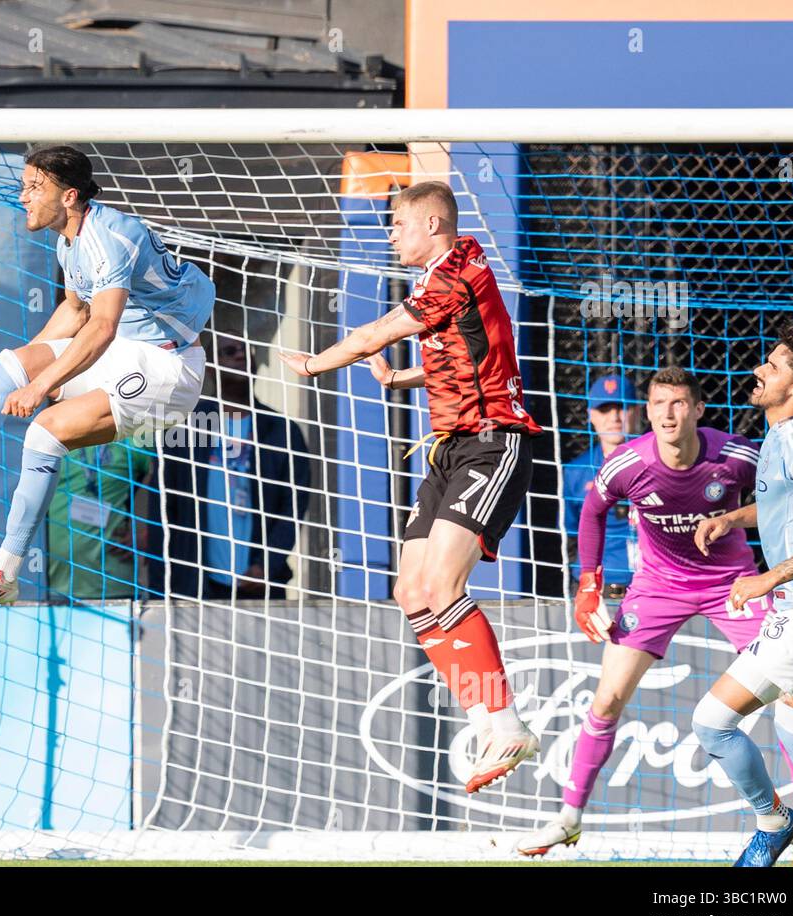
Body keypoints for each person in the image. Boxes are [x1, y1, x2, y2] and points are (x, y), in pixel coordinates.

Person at [0, 146, 213, 610]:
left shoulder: (108, 237)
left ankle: (4, 572)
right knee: (11, 362)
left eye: (34, 187)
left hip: (167, 369)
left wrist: (42, 385)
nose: (23, 196)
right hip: (130, 351)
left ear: (69, 195)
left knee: (46, 431)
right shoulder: (68, 239)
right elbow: (74, 310)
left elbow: (103, 326)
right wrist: (30, 370)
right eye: (23, 185)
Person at [281, 180, 542, 793]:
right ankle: (487, 722)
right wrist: (404, 378)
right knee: (410, 591)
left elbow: (373, 332)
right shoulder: (445, 282)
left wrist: (318, 363)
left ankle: (506, 723)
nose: (389, 234)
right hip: (449, 448)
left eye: (396, 224)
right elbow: (465, 352)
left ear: (431, 223)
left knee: (444, 583)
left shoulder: (453, 273)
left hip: (493, 441)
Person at [515, 367, 767, 856]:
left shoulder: (737, 455)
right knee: (606, 701)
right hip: (657, 588)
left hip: (732, 585)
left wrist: (739, 522)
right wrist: (587, 585)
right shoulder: (626, 463)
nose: (668, 415)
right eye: (658, 405)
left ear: (697, 410)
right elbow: (591, 512)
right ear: (647, 412)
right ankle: (568, 818)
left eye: (678, 404)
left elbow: (787, 500)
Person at [690, 320, 793, 867]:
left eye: (772, 367)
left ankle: (774, 821)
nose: (758, 369)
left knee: (711, 722)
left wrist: (765, 580)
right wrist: (734, 517)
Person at [150, 333, 311, 599]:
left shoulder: (281, 431)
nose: (240, 355)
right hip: (194, 587)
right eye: (229, 351)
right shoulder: (184, 427)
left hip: (259, 588)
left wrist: (267, 566)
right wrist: (161, 585)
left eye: (245, 350)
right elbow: (163, 509)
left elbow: (292, 508)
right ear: (211, 367)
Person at [46, 435, 154, 600]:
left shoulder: (132, 439)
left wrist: (152, 534)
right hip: (51, 586)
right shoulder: (52, 436)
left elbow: (178, 480)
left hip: (114, 587)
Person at [563, 374, 644, 593]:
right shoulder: (575, 472)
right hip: (597, 587)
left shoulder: (658, 461)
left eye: (621, 407)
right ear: (591, 416)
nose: (614, 417)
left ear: (637, 411)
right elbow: (570, 531)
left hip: (652, 585)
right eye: (604, 410)